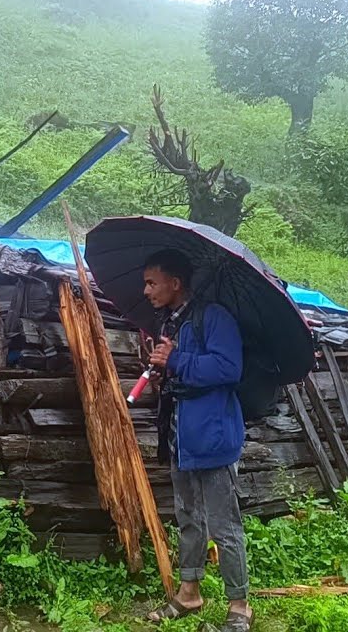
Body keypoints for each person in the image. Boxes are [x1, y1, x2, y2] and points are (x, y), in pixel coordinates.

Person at [141, 249, 252, 632]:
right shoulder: (174, 323)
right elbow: (185, 373)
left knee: (224, 524)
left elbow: (228, 368)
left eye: (152, 283)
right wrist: (165, 376)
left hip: (213, 437)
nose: (146, 291)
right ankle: (189, 593)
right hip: (181, 437)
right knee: (189, 517)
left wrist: (176, 362)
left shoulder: (214, 317)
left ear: (175, 283)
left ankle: (240, 607)